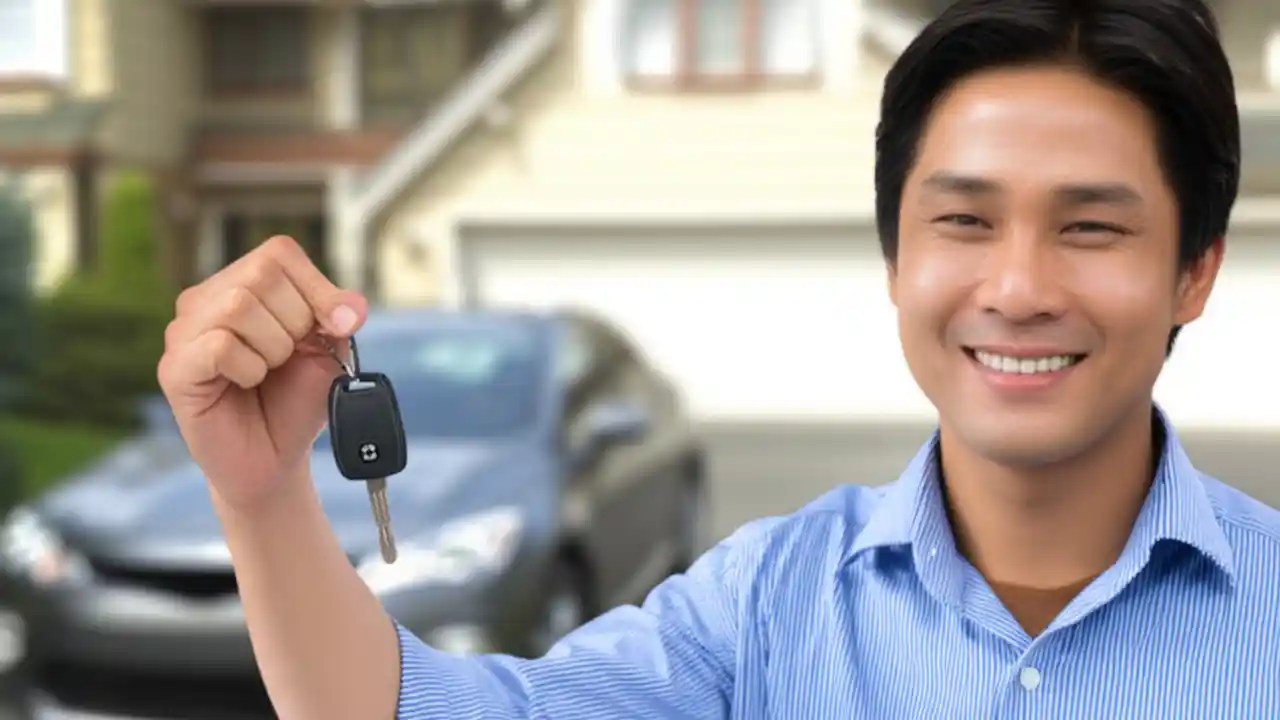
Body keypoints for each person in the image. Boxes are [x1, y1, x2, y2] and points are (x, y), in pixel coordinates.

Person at [157, 0, 1280, 717]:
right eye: (965, 221)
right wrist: (260, 495)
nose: (1019, 288)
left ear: (1193, 271)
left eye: (1090, 226)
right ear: (896, 261)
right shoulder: (760, 609)